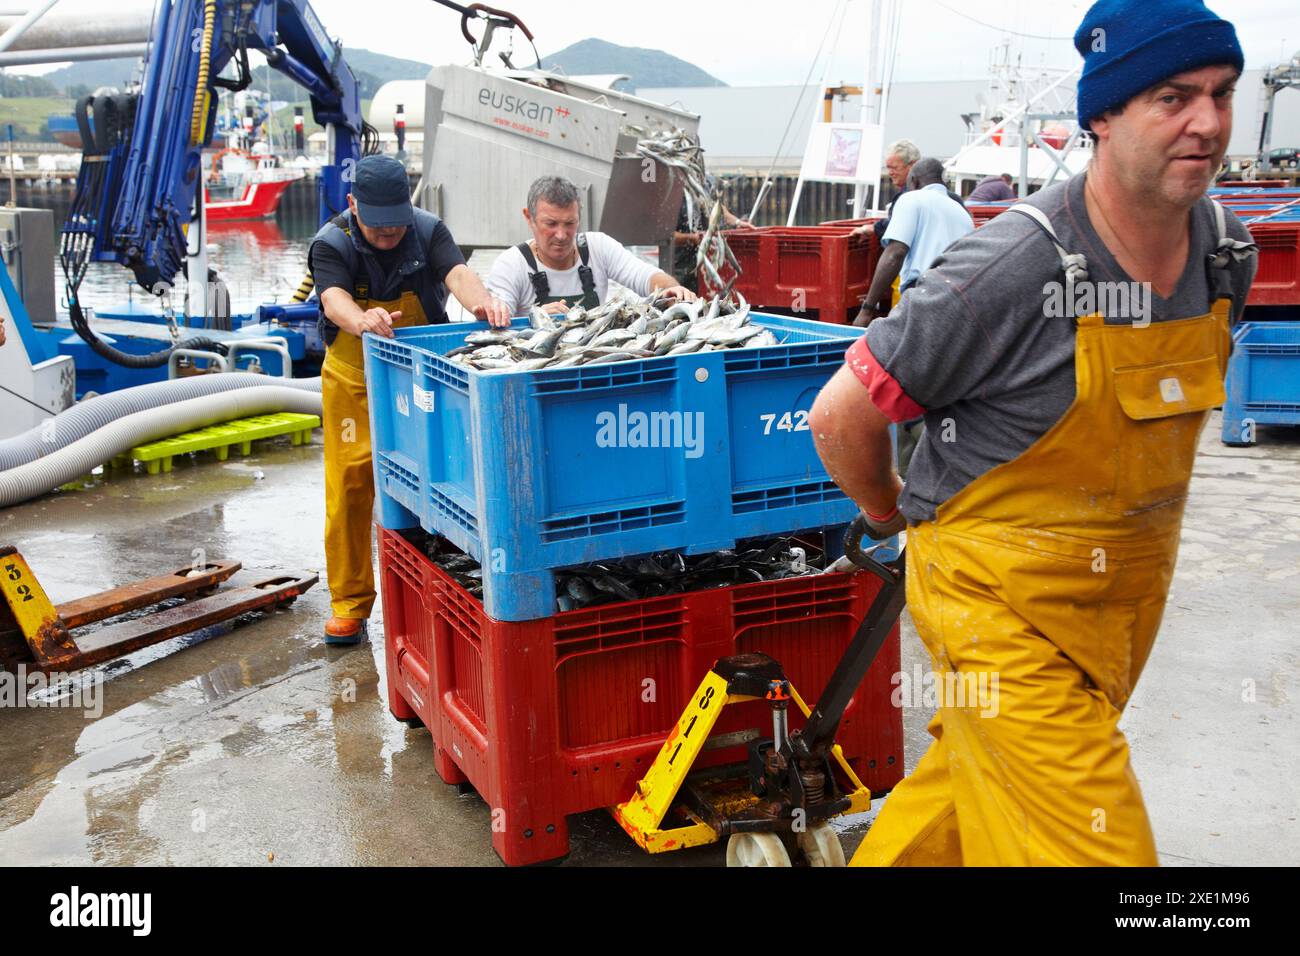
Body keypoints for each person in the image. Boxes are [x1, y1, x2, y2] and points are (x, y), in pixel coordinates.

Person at [812, 0, 1257, 866]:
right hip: (992, 607)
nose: (1207, 122)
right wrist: (889, 511)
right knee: (1099, 845)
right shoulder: (1017, 268)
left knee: (968, 795)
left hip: (1119, 608)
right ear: (1103, 115)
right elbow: (840, 415)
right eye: (1173, 97)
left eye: (1222, 93)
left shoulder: (1223, 257)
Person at [309, 155, 510, 644]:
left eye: (397, 222)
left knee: (439, 480)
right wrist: (360, 319)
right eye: (379, 226)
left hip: (423, 377)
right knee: (352, 485)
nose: (390, 233)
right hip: (355, 378)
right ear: (353, 205)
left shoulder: (429, 230)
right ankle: (350, 605)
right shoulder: (330, 243)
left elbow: (457, 273)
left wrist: (482, 301)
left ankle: (439, 593)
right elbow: (333, 298)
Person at [487, 175, 697, 316]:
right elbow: (498, 320)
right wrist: (535, 318)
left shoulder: (598, 247)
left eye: (570, 224)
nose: (561, 235)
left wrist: (671, 290)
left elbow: (645, 276)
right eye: (550, 224)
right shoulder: (511, 265)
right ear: (529, 217)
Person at [854, 158, 973, 327]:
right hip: (960, 300)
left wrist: (867, 309)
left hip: (925, 295)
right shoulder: (962, 212)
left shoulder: (911, 199)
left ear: (914, 180)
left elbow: (895, 253)